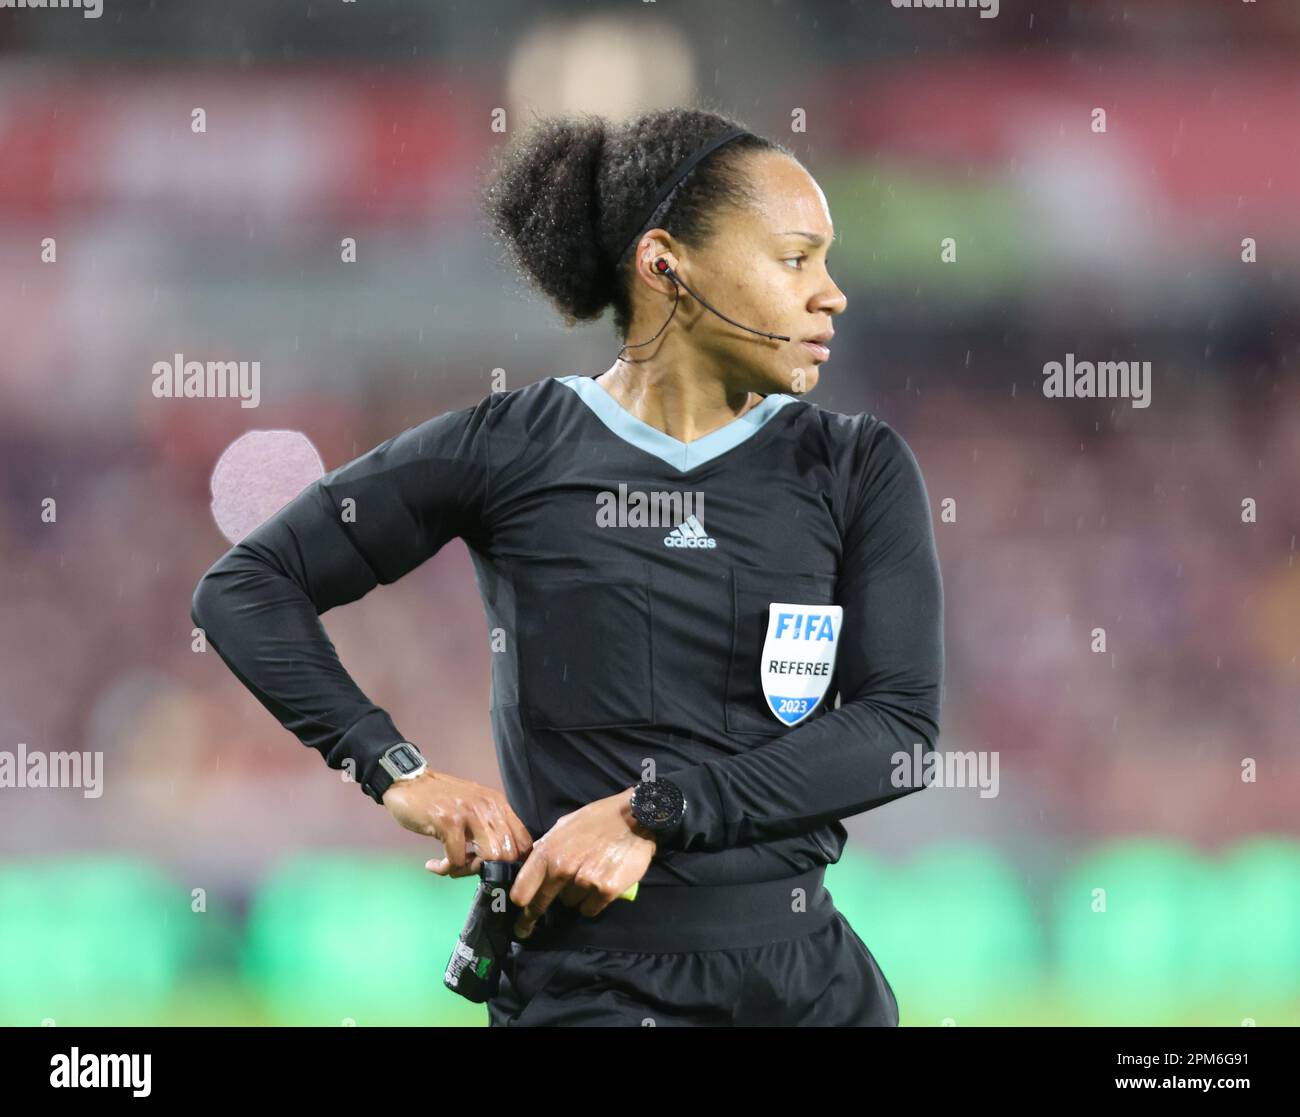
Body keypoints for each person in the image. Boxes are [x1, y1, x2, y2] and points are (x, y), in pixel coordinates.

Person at [190, 106, 944, 1027]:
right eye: (795, 259)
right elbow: (246, 588)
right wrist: (397, 770)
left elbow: (897, 732)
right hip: (591, 988)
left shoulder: (855, 465)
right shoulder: (511, 447)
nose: (832, 294)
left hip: (809, 985)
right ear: (666, 263)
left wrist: (652, 810)